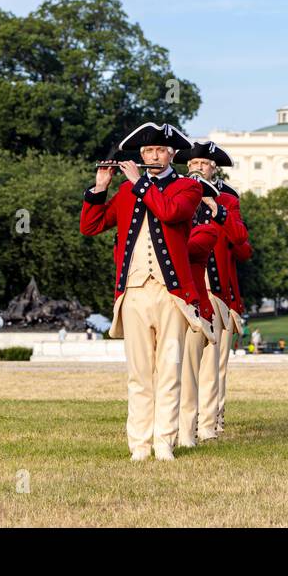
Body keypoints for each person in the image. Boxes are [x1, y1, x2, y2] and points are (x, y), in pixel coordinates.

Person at [79, 122, 203, 461]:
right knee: (138, 372)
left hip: (171, 293)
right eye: (148, 151)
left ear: (172, 154)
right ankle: (139, 445)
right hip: (133, 292)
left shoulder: (187, 188)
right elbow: (90, 227)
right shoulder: (125, 192)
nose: (153, 155)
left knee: (169, 369)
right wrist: (99, 188)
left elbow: (169, 211)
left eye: (160, 150)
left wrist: (139, 182)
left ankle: (164, 441)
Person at [177, 140, 252, 441]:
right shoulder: (177, 195)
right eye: (194, 165)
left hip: (216, 291)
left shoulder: (227, 201)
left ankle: (208, 424)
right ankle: (182, 422)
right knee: (180, 360)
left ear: (213, 169)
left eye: (204, 165)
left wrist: (217, 209)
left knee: (212, 365)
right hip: (183, 286)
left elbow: (242, 244)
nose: (198, 168)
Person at [180, 178, 224, 448]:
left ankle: (186, 433)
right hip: (165, 308)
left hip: (194, 310)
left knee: (187, 376)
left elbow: (183, 252)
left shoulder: (207, 231)